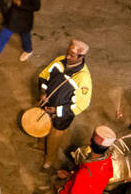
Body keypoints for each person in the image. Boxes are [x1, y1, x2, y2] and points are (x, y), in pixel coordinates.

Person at [38, 39, 93, 171]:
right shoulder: (59, 60)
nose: (67, 57)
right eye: (67, 53)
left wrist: (57, 110)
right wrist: (43, 91)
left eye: (72, 56)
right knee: (41, 125)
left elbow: (81, 105)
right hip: (47, 102)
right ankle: (40, 145)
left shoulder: (83, 78)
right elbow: (44, 75)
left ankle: (49, 159)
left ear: (81, 57)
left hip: (62, 114)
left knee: (55, 135)